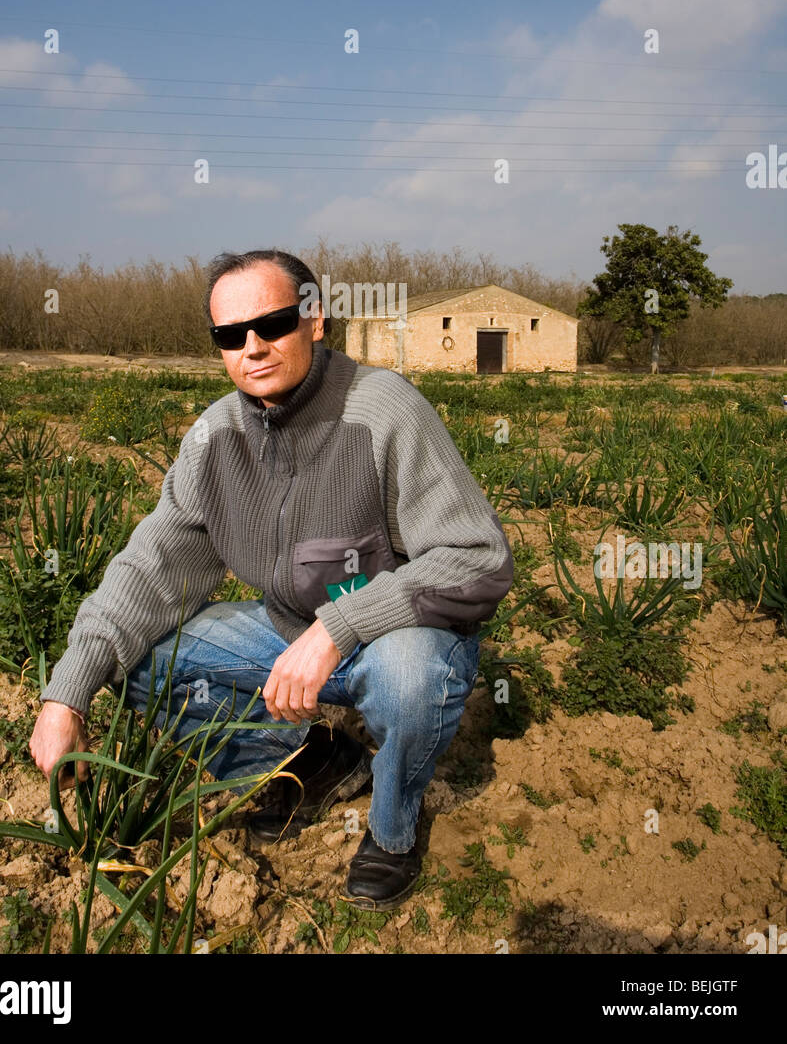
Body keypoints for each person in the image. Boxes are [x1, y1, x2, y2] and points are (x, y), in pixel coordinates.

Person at [30, 249, 514, 908]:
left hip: (406, 633)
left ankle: (392, 829)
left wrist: (338, 630)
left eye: (272, 325)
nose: (251, 348)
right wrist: (67, 695)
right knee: (141, 659)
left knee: (410, 683)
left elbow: (478, 558)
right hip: (291, 632)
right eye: (229, 336)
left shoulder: (384, 410)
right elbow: (150, 570)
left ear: (314, 320)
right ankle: (304, 763)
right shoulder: (215, 437)